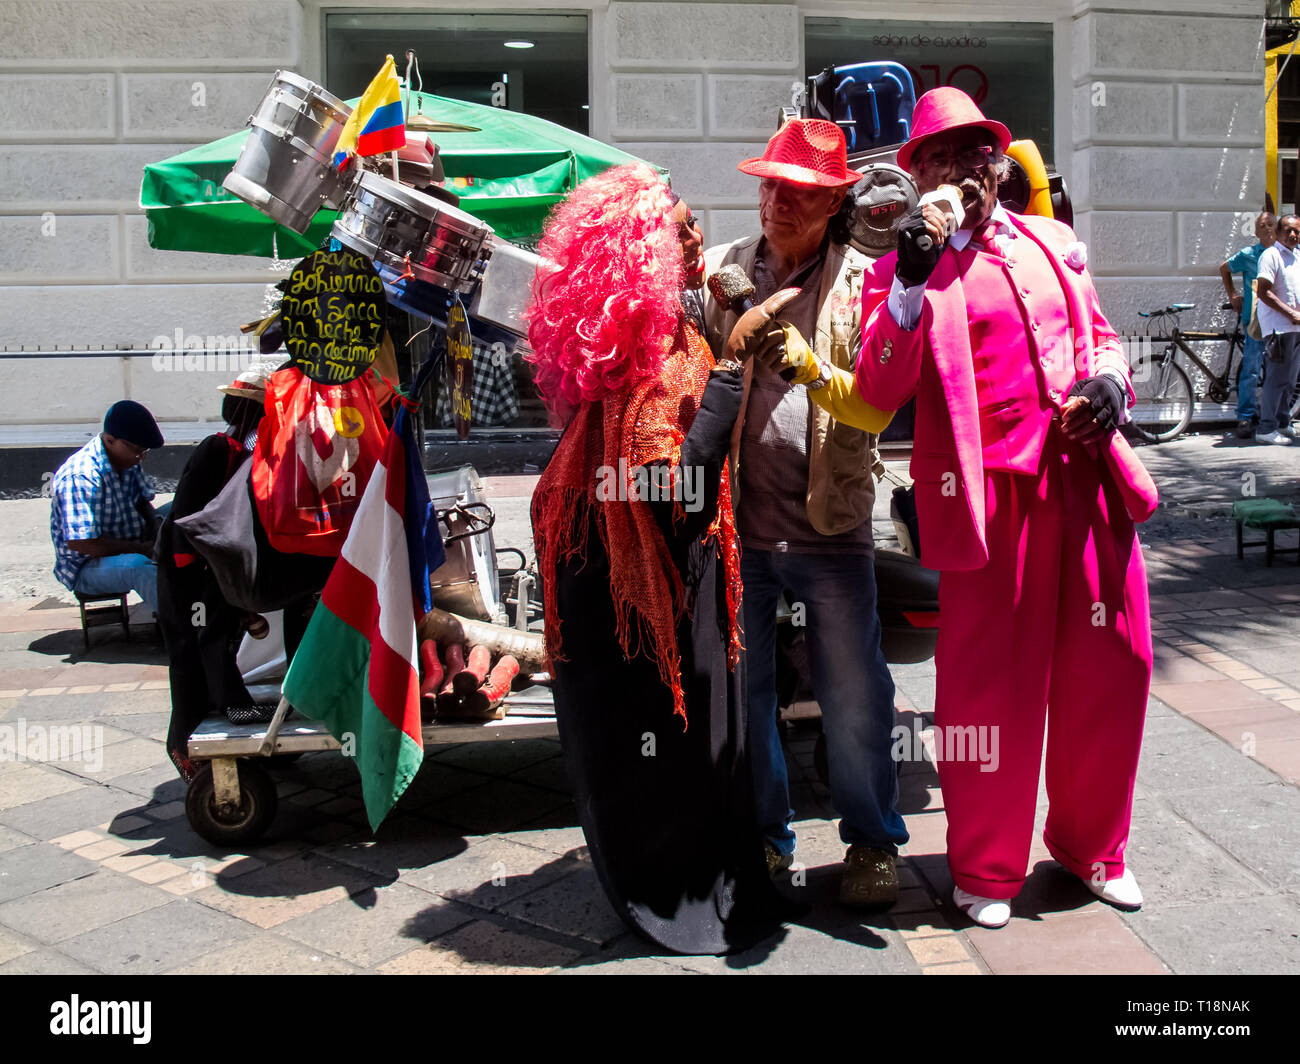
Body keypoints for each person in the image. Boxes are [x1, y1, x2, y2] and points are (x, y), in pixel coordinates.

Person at [846, 87, 1158, 929]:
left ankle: (1095, 850)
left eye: (973, 152)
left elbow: (1102, 335)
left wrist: (1109, 382)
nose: (961, 169)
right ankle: (986, 869)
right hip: (989, 503)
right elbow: (876, 389)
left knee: (1113, 671)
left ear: (995, 162)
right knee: (989, 691)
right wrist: (909, 281)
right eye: (939, 157)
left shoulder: (1053, 242)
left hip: (1087, 486)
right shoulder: (898, 268)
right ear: (916, 176)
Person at [527, 162, 793, 955]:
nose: (698, 237)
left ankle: (700, 872)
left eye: (694, 223)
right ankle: (678, 894)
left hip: (650, 574)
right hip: (639, 585)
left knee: (686, 739)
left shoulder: (662, 333)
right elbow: (674, 493)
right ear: (637, 253)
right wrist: (733, 374)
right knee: (665, 739)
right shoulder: (645, 360)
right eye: (679, 229)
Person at [701, 118, 908, 908]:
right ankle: (765, 838)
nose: (777, 204)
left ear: (833, 203)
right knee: (746, 696)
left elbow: (877, 408)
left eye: (799, 194)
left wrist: (813, 366)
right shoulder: (723, 269)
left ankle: (873, 841)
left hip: (832, 523)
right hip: (740, 525)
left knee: (855, 695)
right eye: (769, 188)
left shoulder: (866, 281)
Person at [158, 358, 280, 781]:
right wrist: (196, 571)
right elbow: (184, 518)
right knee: (193, 646)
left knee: (219, 637)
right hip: (187, 568)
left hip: (212, 566)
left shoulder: (243, 451)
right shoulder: (216, 450)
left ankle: (229, 701)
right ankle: (185, 743)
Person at [50, 400, 165, 614]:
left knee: (179, 513)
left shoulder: (128, 461)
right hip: (88, 566)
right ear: (110, 440)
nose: (141, 457)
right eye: (137, 451)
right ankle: (186, 629)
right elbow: (82, 543)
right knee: (138, 567)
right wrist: (143, 549)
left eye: (144, 451)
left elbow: (143, 502)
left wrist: (158, 529)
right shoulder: (81, 476)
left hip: (129, 541)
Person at [1219, 210, 1276, 438]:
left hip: (1279, 320)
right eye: (1262, 225)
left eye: (1271, 224)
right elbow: (1224, 268)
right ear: (1255, 231)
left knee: (1276, 370)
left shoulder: (1286, 253)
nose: (1267, 228)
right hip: (1255, 319)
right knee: (1251, 369)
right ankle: (1245, 416)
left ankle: (1273, 416)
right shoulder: (1249, 254)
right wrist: (1233, 295)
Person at [1253, 213, 1300, 445]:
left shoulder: (1296, 256)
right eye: (1288, 230)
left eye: (1297, 231)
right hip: (1279, 328)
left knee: (1290, 380)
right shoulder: (1271, 255)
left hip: (1295, 329)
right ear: (1279, 232)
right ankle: (1266, 428)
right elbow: (1264, 292)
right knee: (1277, 379)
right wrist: (1290, 313)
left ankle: (1282, 422)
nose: (1293, 234)